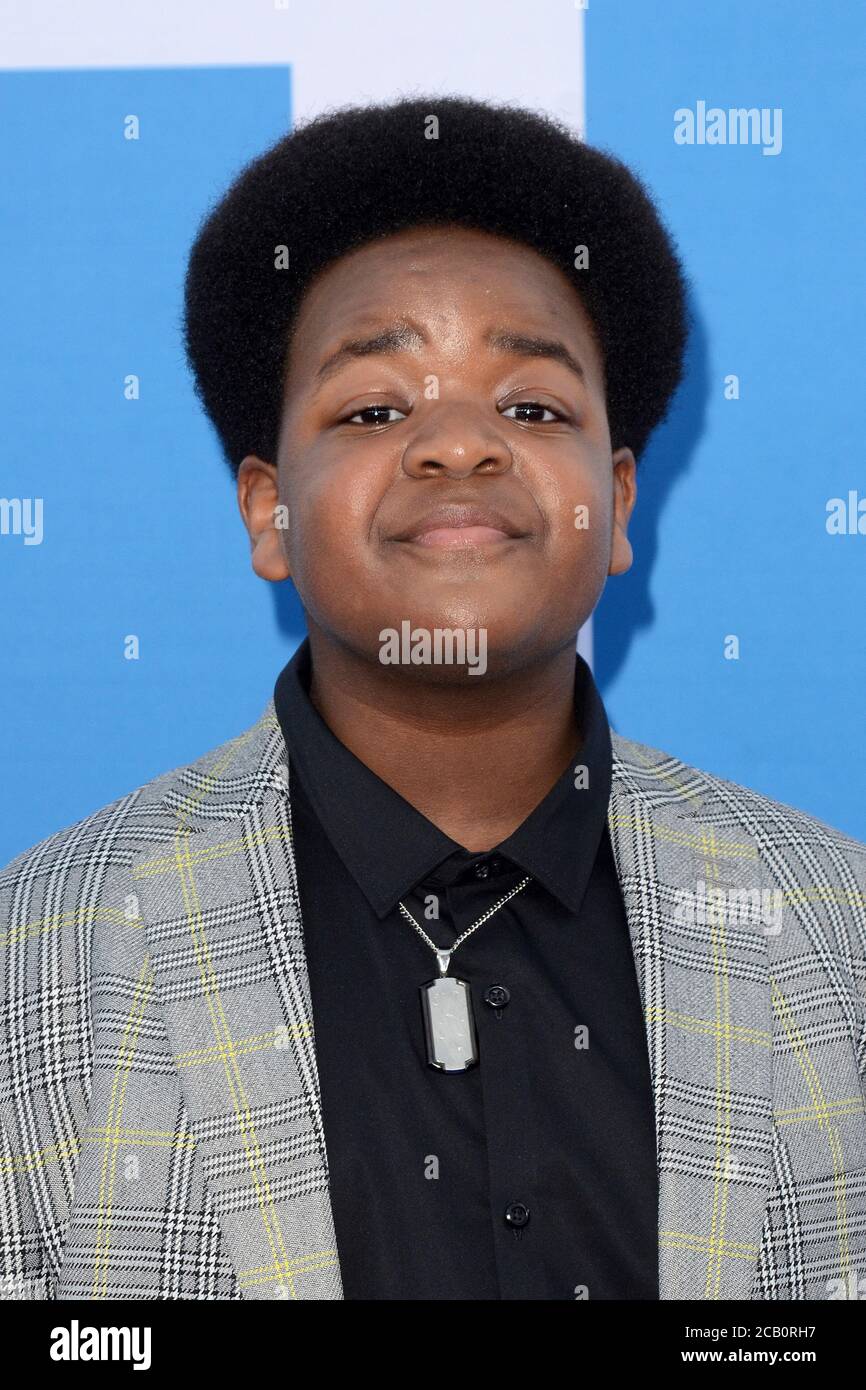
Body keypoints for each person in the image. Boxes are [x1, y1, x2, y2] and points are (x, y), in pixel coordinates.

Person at [1, 95, 864, 1302]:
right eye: (373, 408)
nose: (458, 445)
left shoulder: (834, 928)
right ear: (268, 510)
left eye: (530, 407)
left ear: (615, 503)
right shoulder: (34, 958)